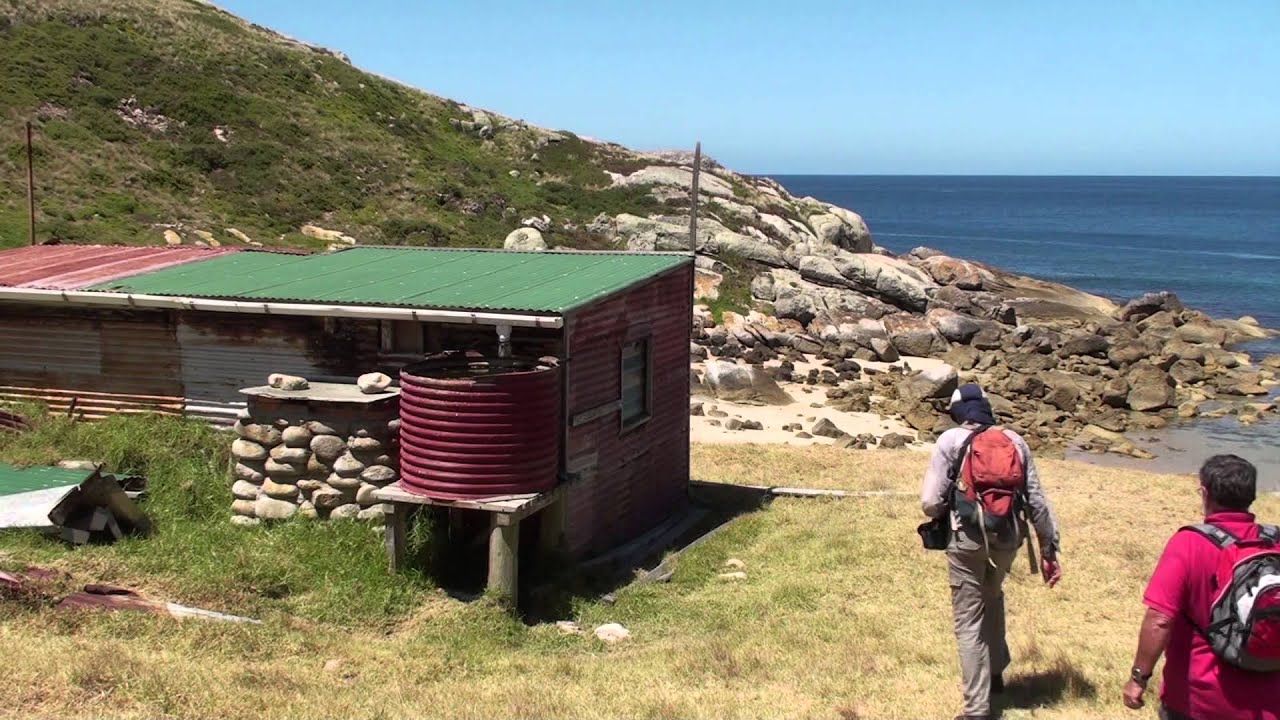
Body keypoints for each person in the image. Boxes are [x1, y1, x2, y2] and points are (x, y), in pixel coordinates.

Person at [921, 383, 1062, 720]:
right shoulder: (1015, 440)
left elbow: (930, 502)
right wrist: (1049, 549)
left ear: (958, 412)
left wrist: (946, 511)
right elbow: (1037, 500)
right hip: (1008, 537)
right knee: (993, 595)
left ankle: (976, 709)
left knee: (968, 621)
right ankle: (996, 673)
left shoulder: (950, 440)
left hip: (966, 539)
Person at [1123, 454, 1280, 720]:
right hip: (1270, 701)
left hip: (1199, 699)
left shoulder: (1189, 543)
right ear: (1252, 496)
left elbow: (1160, 619)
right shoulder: (1274, 542)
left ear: (1205, 494)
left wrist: (1138, 678)